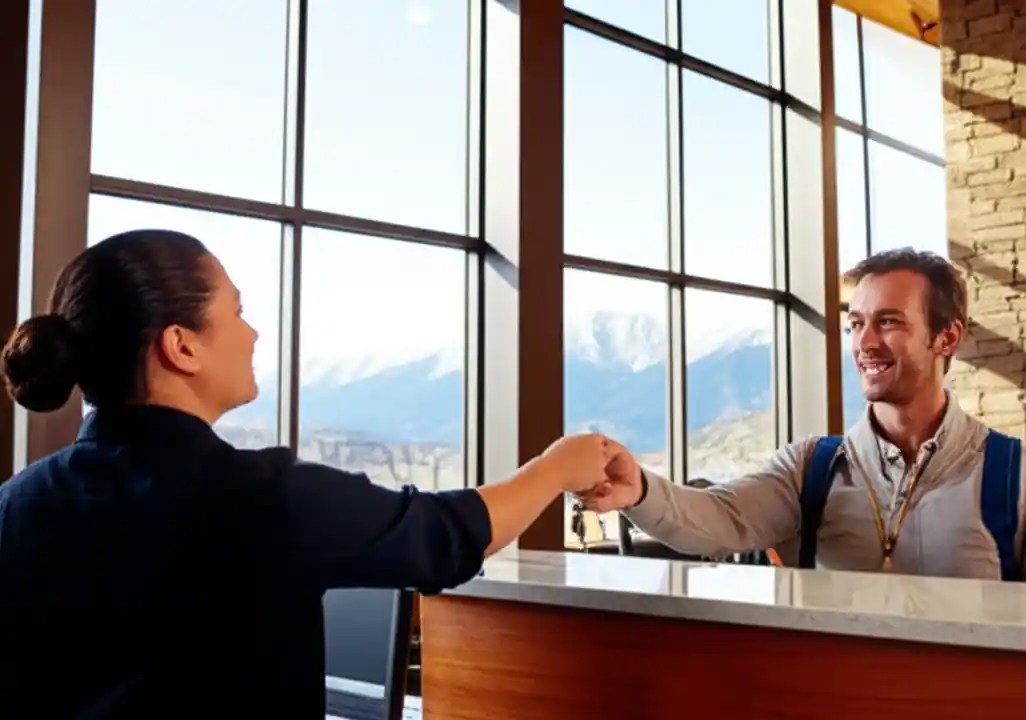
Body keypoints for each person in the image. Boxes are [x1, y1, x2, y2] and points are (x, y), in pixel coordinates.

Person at [0, 230, 615, 718]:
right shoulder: (267, 499)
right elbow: (450, 534)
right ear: (180, 345)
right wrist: (559, 466)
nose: (253, 331)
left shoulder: (14, 505)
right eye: (237, 311)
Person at [582, 248, 1026, 586]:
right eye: (856, 324)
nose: (865, 343)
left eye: (888, 322)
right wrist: (639, 492)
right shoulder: (811, 469)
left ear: (948, 337)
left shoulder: (1018, 477)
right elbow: (720, 520)